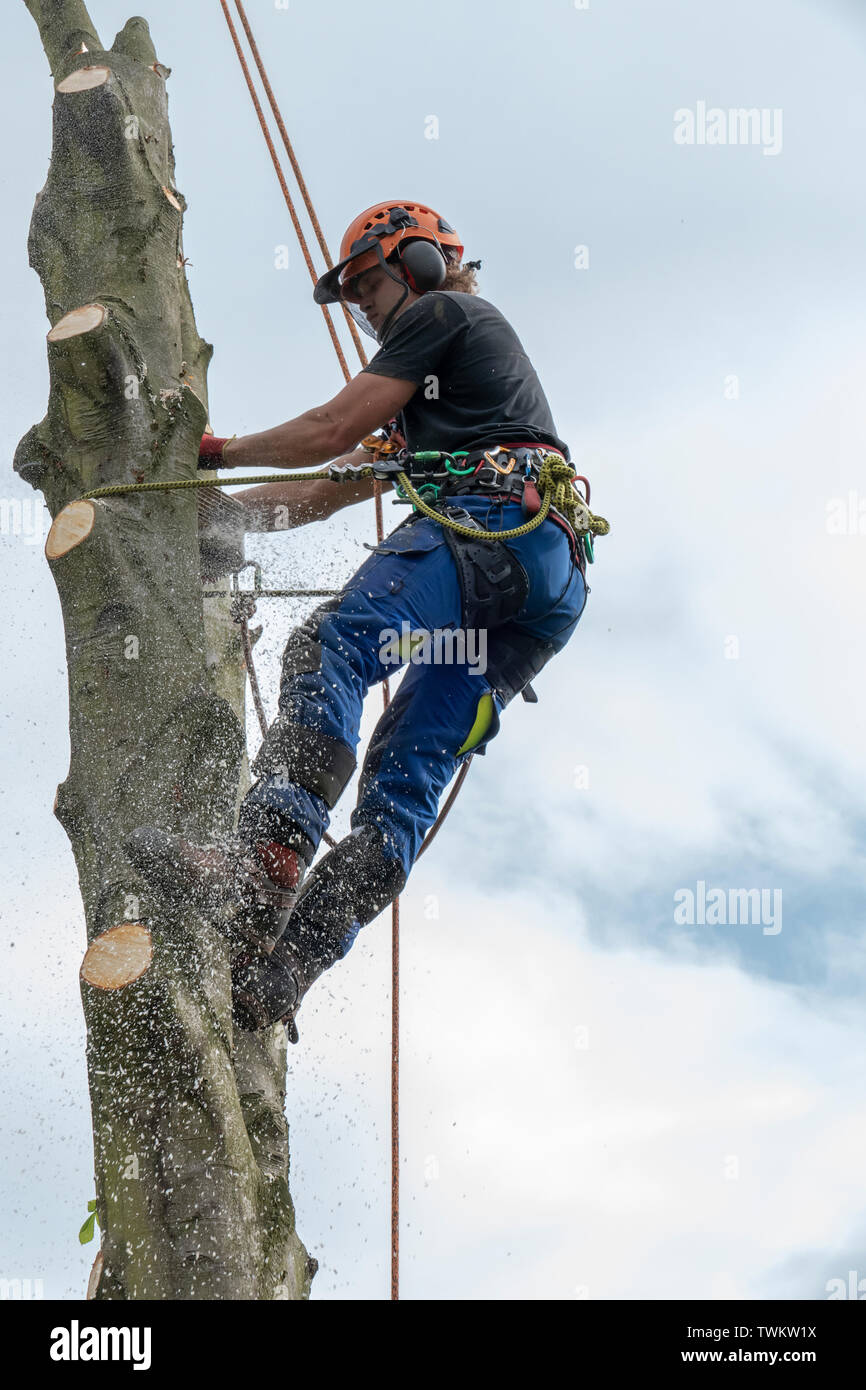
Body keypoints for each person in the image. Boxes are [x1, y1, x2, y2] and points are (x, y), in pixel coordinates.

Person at [128, 201, 593, 1041]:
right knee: (399, 786)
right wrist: (222, 523)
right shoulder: (433, 407)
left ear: (417, 261)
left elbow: (330, 427)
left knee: (333, 644)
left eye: (368, 283)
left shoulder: (444, 311)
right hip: (541, 589)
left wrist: (214, 452)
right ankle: (282, 974)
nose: (364, 305)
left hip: (494, 525)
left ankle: (266, 855)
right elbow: (321, 490)